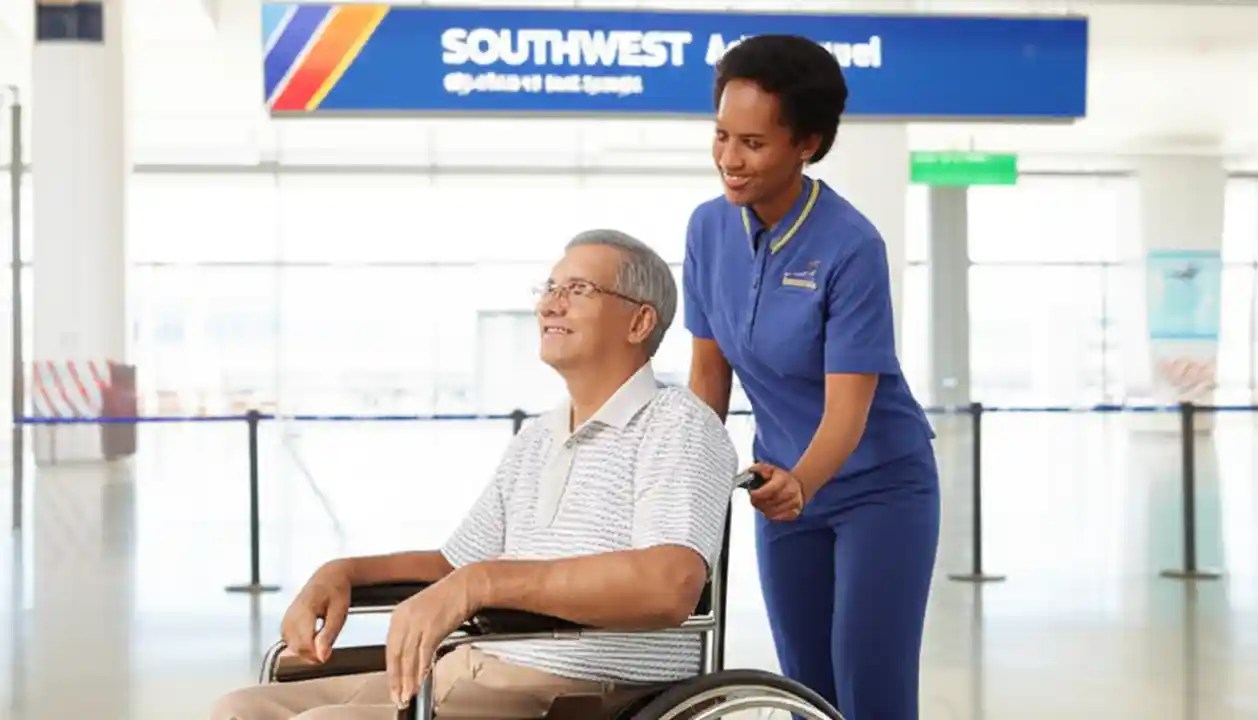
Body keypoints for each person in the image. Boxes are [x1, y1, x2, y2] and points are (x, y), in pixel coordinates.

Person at [211, 229, 738, 719]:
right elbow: (454, 564)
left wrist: (485, 582)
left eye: (578, 289)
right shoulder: (539, 435)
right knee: (238, 709)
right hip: (465, 669)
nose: (550, 303)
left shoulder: (678, 424)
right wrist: (345, 572)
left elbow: (669, 586)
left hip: (573, 690)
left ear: (639, 322)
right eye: (550, 287)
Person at [681, 34, 941, 719]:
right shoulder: (708, 231)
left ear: (808, 144)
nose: (730, 160)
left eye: (754, 144)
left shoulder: (850, 245)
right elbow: (709, 377)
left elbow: (848, 410)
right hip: (782, 488)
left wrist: (806, 482)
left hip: (878, 489)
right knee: (806, 690)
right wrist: (680, 477)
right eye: (721, 136)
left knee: (869, 686)